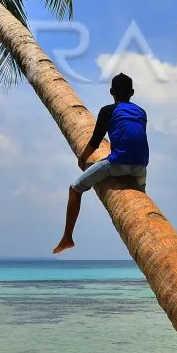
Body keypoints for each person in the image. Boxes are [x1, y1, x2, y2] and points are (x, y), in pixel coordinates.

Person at [53, 73, 149, 254]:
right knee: (141, 195)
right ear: (132, 93)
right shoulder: (141, 112)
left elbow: (95, 142)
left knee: (75, 188)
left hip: (117, 164)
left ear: (111, 92)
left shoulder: (108, 111)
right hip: (141, 168)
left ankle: (67, 238)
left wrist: (82, 158)